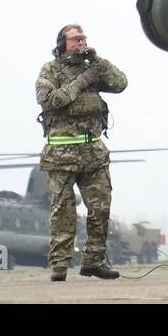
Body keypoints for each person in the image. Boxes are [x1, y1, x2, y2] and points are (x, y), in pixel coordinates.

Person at [36, 24, 128, 282]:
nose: (81, 43)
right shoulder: (49, 70)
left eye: (83, 38)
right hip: (61, 155)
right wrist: (82, 81)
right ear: (63, 43)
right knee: (62, 212)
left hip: (93, 154)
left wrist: (98, 62)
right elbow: (51, 101)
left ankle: (93, 262)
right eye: (76, 39)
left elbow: (120, 83)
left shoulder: (93, 67)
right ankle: (60, 265)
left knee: (100, 209)